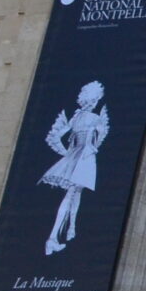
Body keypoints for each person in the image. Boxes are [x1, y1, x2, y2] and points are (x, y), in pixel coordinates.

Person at [40, 81, 110, 256]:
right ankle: (52, 239)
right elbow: (100, 137)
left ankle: (71, 229)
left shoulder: (76, 118)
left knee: (75, 192)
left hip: (74, 157)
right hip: (85, 158)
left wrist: (66, 153)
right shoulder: (95, 118)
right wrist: (90, 147)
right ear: (94, 99)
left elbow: (55, 136)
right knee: (71, 195)